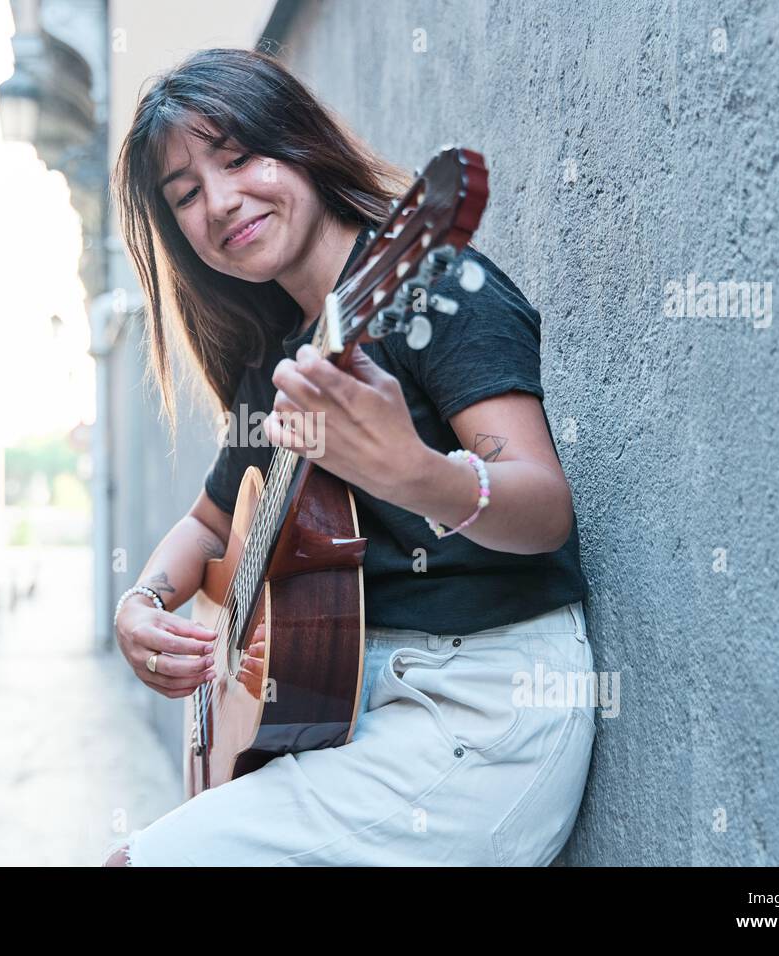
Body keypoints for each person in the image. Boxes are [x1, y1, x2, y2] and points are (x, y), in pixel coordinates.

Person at [104, 47, 594, 866]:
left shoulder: (437, 286)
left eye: (240, 157)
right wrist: (145, 603)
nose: (221, 202)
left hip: (483, 715)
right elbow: (208, 525)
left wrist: (414, 472)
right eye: (186, 195)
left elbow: (544, 510)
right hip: (352, 711)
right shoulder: (274, 364)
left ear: (300, 141)